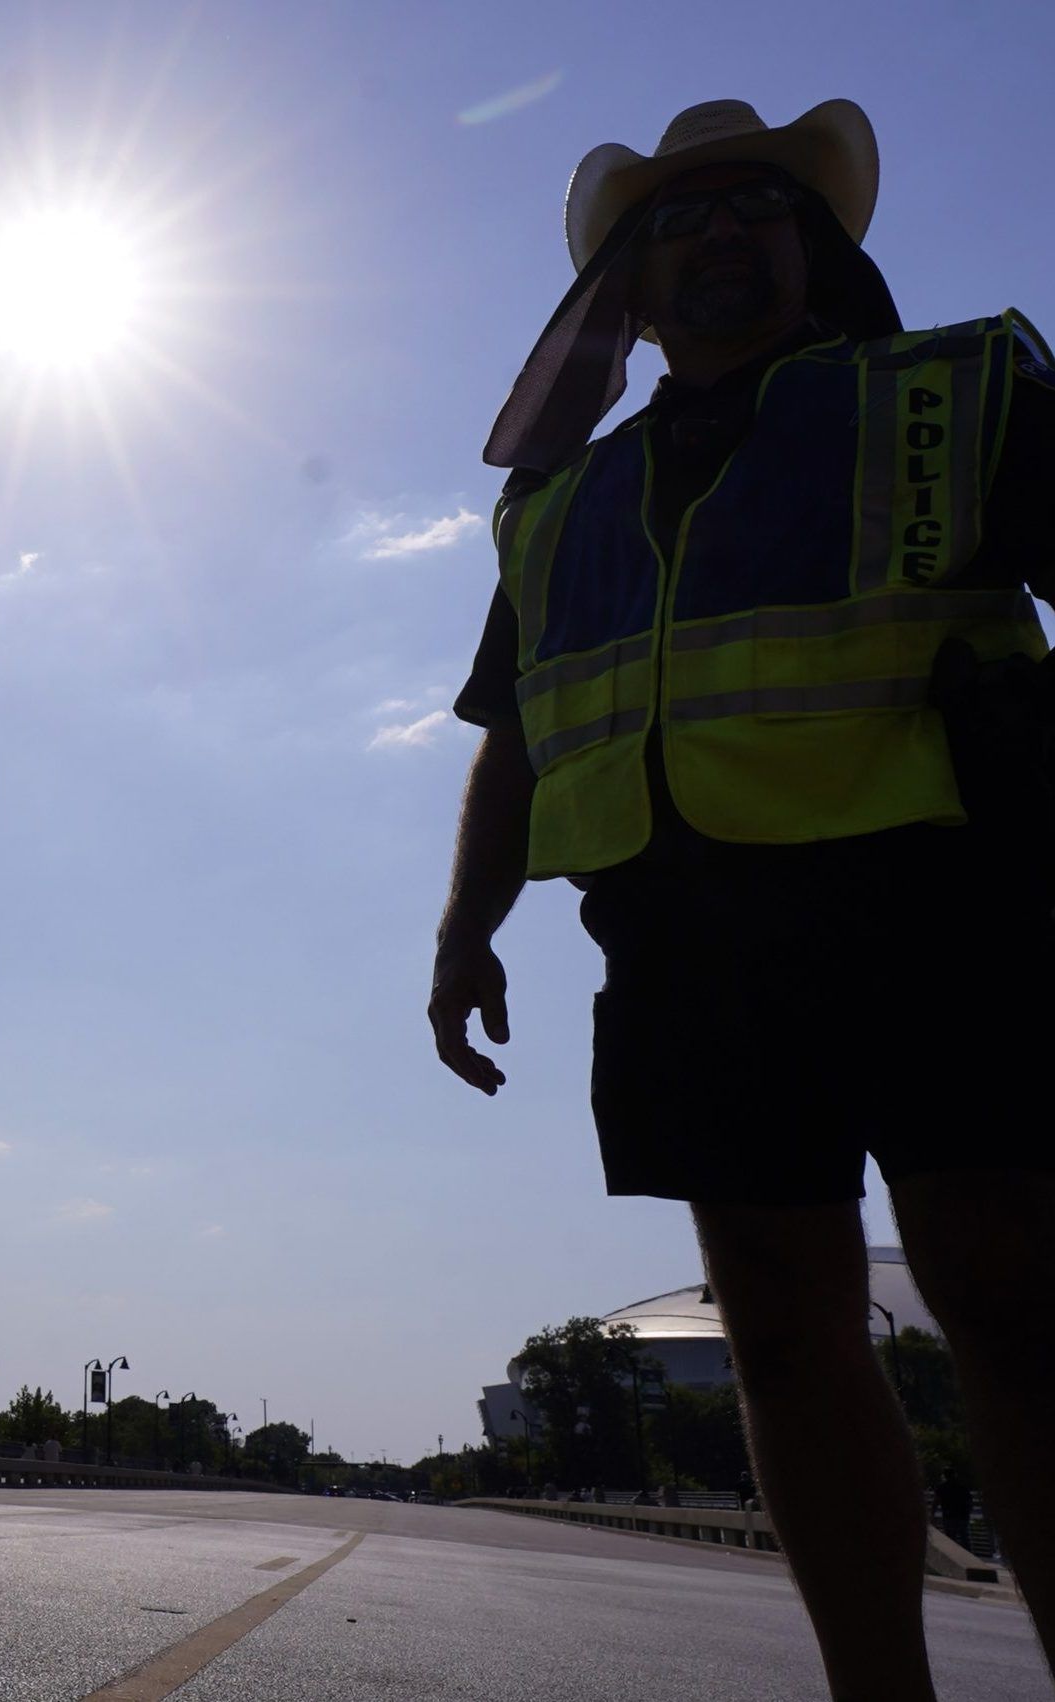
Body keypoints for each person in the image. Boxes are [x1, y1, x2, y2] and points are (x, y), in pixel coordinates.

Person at [430, 97, 1055, 1697]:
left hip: (946, 907)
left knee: (1009, 1300)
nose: (718, 230)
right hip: (691, 943)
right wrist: (463, 931)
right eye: (677, 217)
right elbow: (514, 732)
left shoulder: (949, 392)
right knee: (776, 1332)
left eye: (756, 205)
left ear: (813, 244)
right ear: (627, 295)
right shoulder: (559, 504)